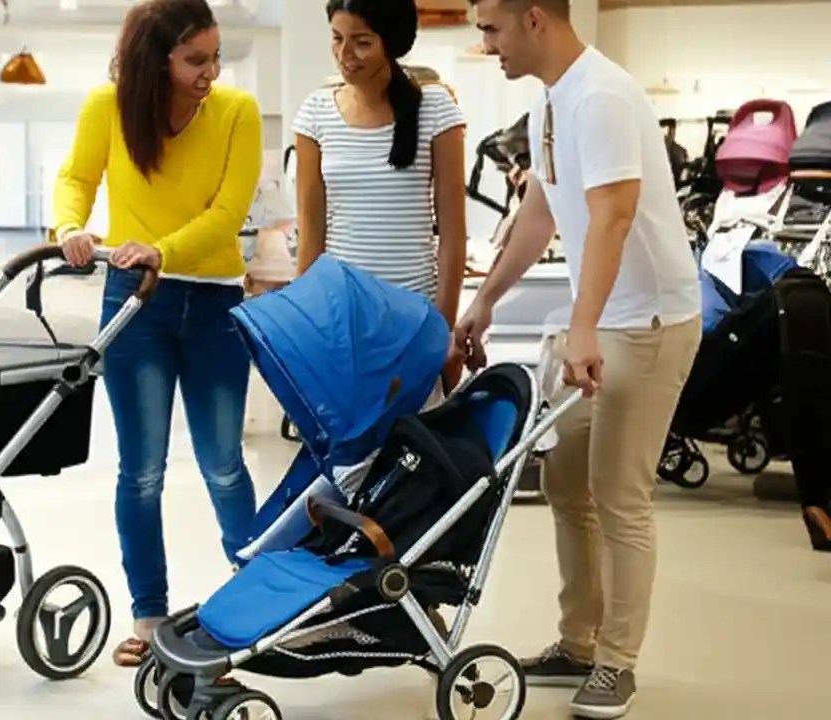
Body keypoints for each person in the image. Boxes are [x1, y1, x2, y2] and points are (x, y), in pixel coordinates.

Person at [458, 1, 702, 718]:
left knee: (620, 495)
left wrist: (586, 324)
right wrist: (486, 300)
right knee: (567, 486)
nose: (485, 43)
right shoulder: (550, 104)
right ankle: (579, 642)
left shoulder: (602, 96)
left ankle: (617, 663)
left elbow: (613, 216)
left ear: (535, 18)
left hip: (649, 323)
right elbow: (542, 211)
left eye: (492, 27)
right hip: (597, 321)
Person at [52, 0, 263, 668]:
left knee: (223, 463)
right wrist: (69, 227)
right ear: (157, 59)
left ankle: (257, 598)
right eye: (194, 60)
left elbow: (229, 212)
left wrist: (160, 250)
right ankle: (148, 615)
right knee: (140, 470)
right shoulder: (106, 107)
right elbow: (76, 177)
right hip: (134, 304)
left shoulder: (236, 112)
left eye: (215, 57)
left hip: (212, 302)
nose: (210, 71)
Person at [292, 0, 467, 398]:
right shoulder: (316, 113)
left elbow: (454, 234)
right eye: (337, 39)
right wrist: (302, 323)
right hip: (341, 317)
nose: (344, 55)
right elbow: (311, 233)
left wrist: (442, 327)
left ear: (391, 42)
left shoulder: (436, 109)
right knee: (349, 452)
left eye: (361, 42)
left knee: (415, 448)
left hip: (415, 316)